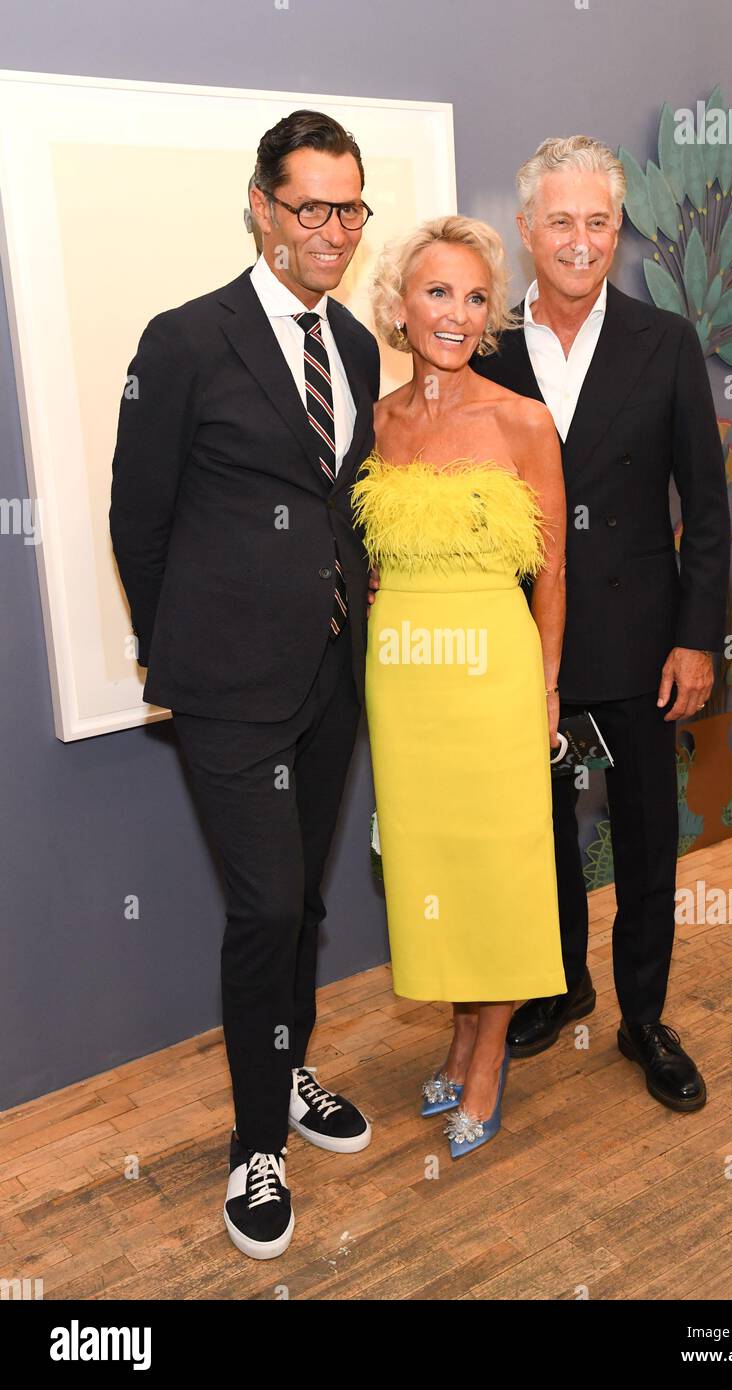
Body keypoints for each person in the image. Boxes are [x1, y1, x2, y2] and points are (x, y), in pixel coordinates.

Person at [110, 110, 380, 1259]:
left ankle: (284, 1056)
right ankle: (255, 1141)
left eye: (349, 208)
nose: (331, 229)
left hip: (331, 675)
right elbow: (140, 521)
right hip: (227, 689)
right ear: (261, 208)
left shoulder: (359, 345)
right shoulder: (183, 341)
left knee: (306, 902)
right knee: (265, 907)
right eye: (310, 206)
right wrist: (187, 658)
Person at [470, 135, 730, 1111]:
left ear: (616, 231)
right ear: (526, 228)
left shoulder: (664, 343)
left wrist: (696, 635)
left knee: (643, 837)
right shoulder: (485, 346)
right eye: (560, 221)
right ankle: (558, 982)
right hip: (522, 646)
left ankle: (643, 1019)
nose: (579, 240)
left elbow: (702, 506)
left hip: (638, 643)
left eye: (597, 222)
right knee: (535, 830)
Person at [350, 215, 567, 1159]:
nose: (457, 312)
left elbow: (554, 569)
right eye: (438, 291)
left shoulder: (521, 421)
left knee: (500, 867)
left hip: (492, 670)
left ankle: (487, 1056)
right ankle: (461, 1026)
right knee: (435, 867)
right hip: (405, 683)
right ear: (400, 302)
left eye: (477, 297)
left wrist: (548, 686)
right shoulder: (375, 423)